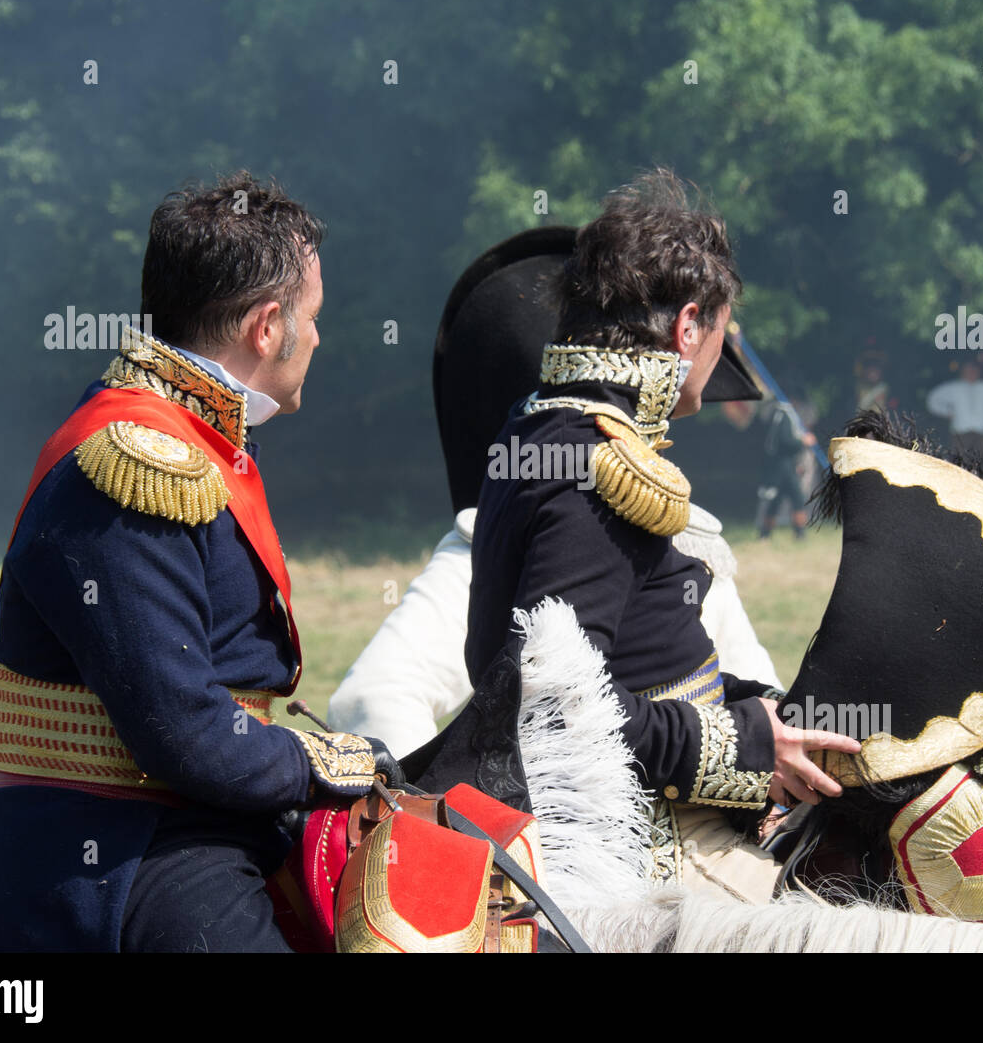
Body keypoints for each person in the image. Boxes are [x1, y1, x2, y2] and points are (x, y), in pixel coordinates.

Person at [0, 174, 390, 952]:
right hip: (112, 855)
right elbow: (183, 734)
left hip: (182, 825)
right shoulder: (141, 460)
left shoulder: (188, 440)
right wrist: (318, 762)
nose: (319, 337)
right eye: (313, 318)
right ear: (266, 326)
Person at [406, 170, 859, 901]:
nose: (718, 353)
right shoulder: (594, 460)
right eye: (718, 331)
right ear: (687, 326)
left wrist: (771, 710)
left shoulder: (547, 424)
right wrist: (751, 743)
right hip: (650, 851)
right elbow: (558, 708)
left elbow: (637, 660)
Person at [329, 228, 781, 758]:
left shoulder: (685, 531)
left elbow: (744, 702)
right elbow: (375, 697)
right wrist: (461, 832)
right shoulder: (518, 529)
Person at [755, 395, 817, 539]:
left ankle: (766, 534)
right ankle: (798, 533)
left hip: (786, 464)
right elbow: (784, 441)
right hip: (782, 465)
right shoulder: (783, 414)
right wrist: (803, 442)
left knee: (778, 499)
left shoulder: (782, 414)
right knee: (796, 497)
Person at [925, 357, 983, 456]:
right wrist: (947, 412)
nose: (971, 373)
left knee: (981, 462)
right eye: (969, 370)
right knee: (960, 461)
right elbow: (933, 400)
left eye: (974, 370)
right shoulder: (954, 387)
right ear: (963, 371)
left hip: (981, 433)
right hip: (960, 432)